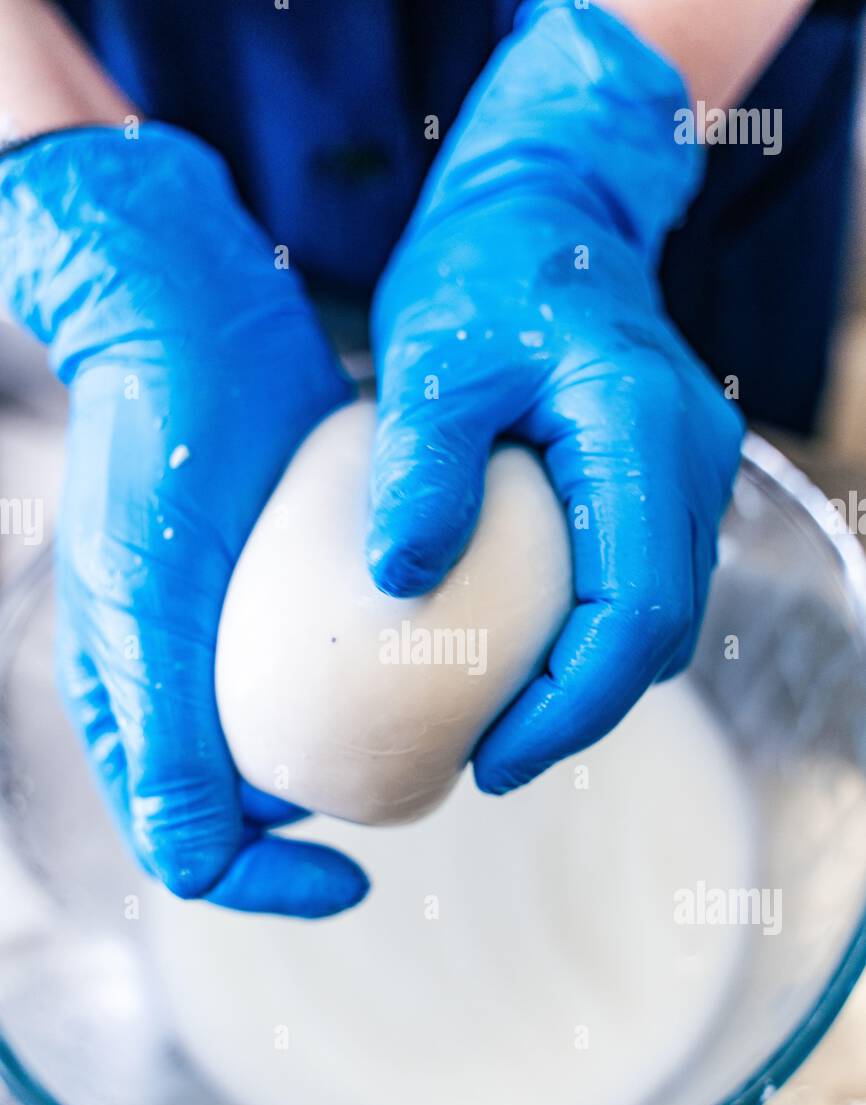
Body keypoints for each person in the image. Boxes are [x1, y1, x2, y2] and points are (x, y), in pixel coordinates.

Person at [0, 0, 861, 916]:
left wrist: (588, 145)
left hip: (687, 88)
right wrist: (79, 188)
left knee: (660, 514)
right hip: (170, 85)